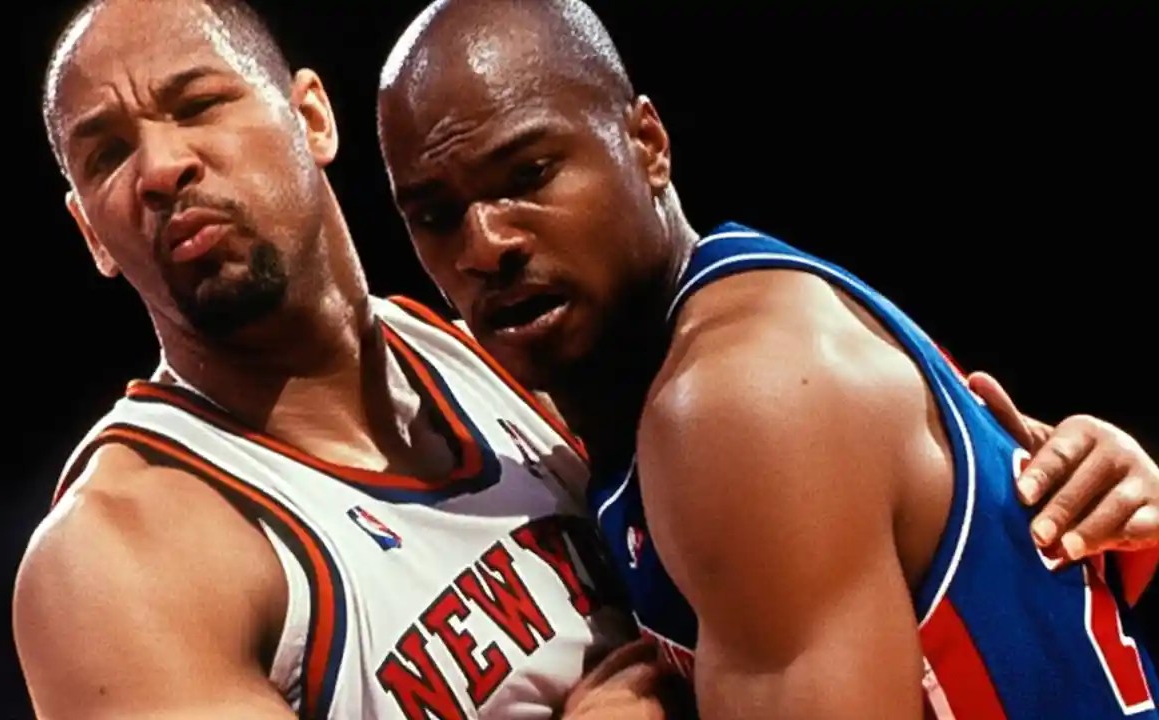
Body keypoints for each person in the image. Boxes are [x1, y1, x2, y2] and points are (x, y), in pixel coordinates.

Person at [375, 0, 1159, 717]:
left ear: (648, 144)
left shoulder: (739, 396)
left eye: (529, 175)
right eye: (437, 215)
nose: (485, 245)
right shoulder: (620, 387)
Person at [13, 1, 663, 718]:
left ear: (313, 118)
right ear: (90, 234)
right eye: (107, 155)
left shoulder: (496, 357)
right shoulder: (117, 554)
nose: (161, 169)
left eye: (197, 105)